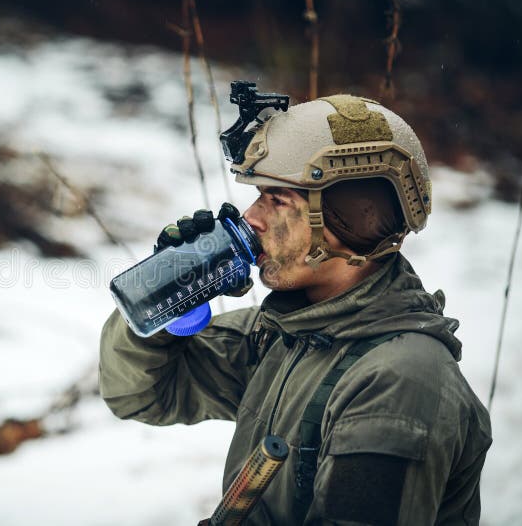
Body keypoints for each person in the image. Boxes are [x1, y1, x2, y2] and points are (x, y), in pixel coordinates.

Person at [99, 93, 492, 525]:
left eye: (277, 199)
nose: (251, 217)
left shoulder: (399, 381)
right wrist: (164, 295)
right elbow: (142, 396)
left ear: (353, 218)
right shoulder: (284, 334)